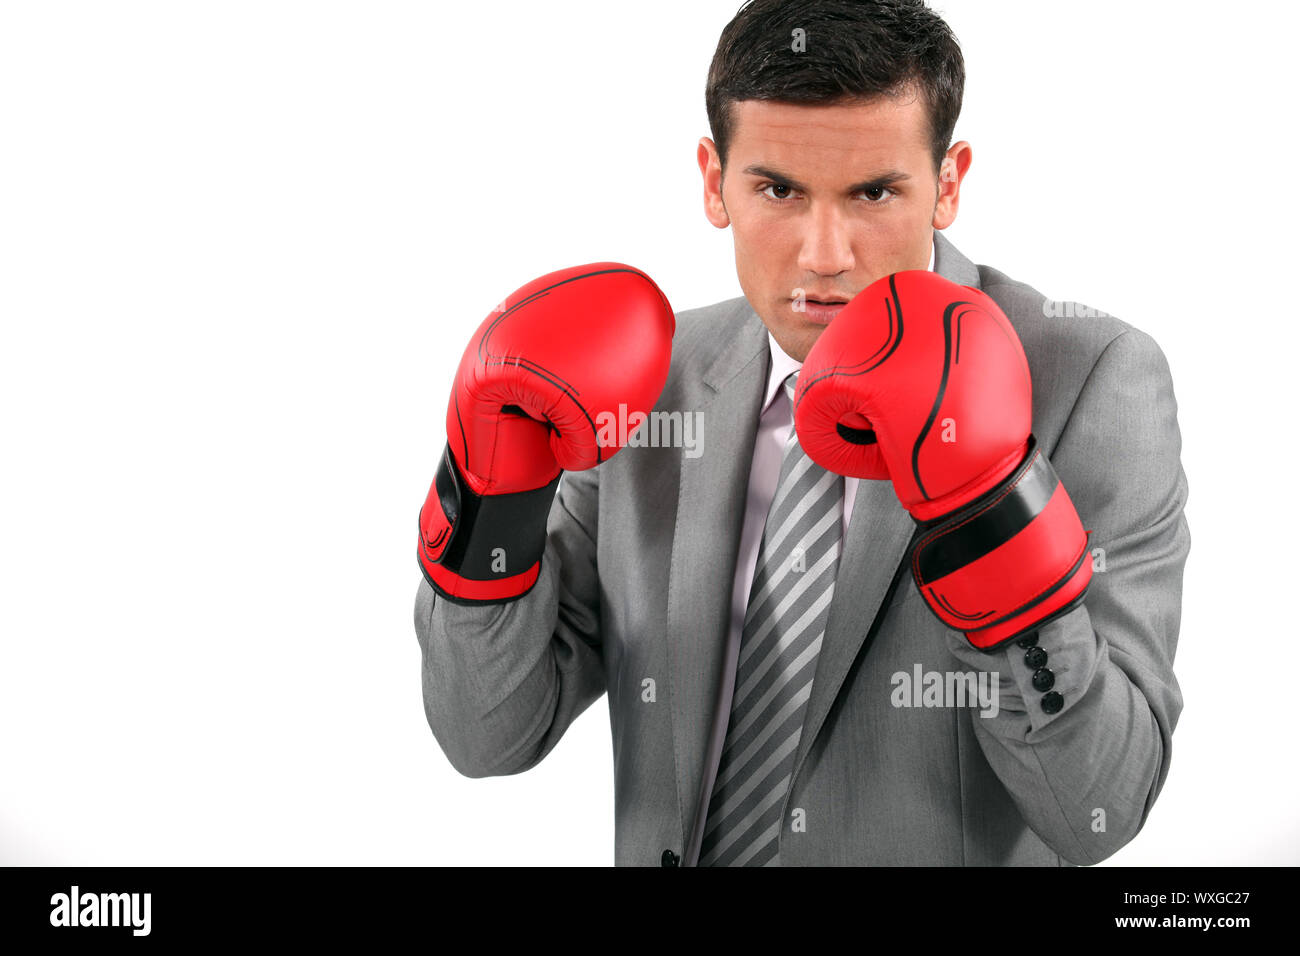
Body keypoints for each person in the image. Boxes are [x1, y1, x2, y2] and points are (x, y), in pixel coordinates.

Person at [412, 0, 1189, 866]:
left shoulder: (1091, 378)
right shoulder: (649, 381)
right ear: (714, 181)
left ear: (950, 181)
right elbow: (487, 737)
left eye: (876, 192)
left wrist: (1000, 530)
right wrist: (490, 503)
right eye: (778, 189)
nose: (826, 255)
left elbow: (1101, 809)